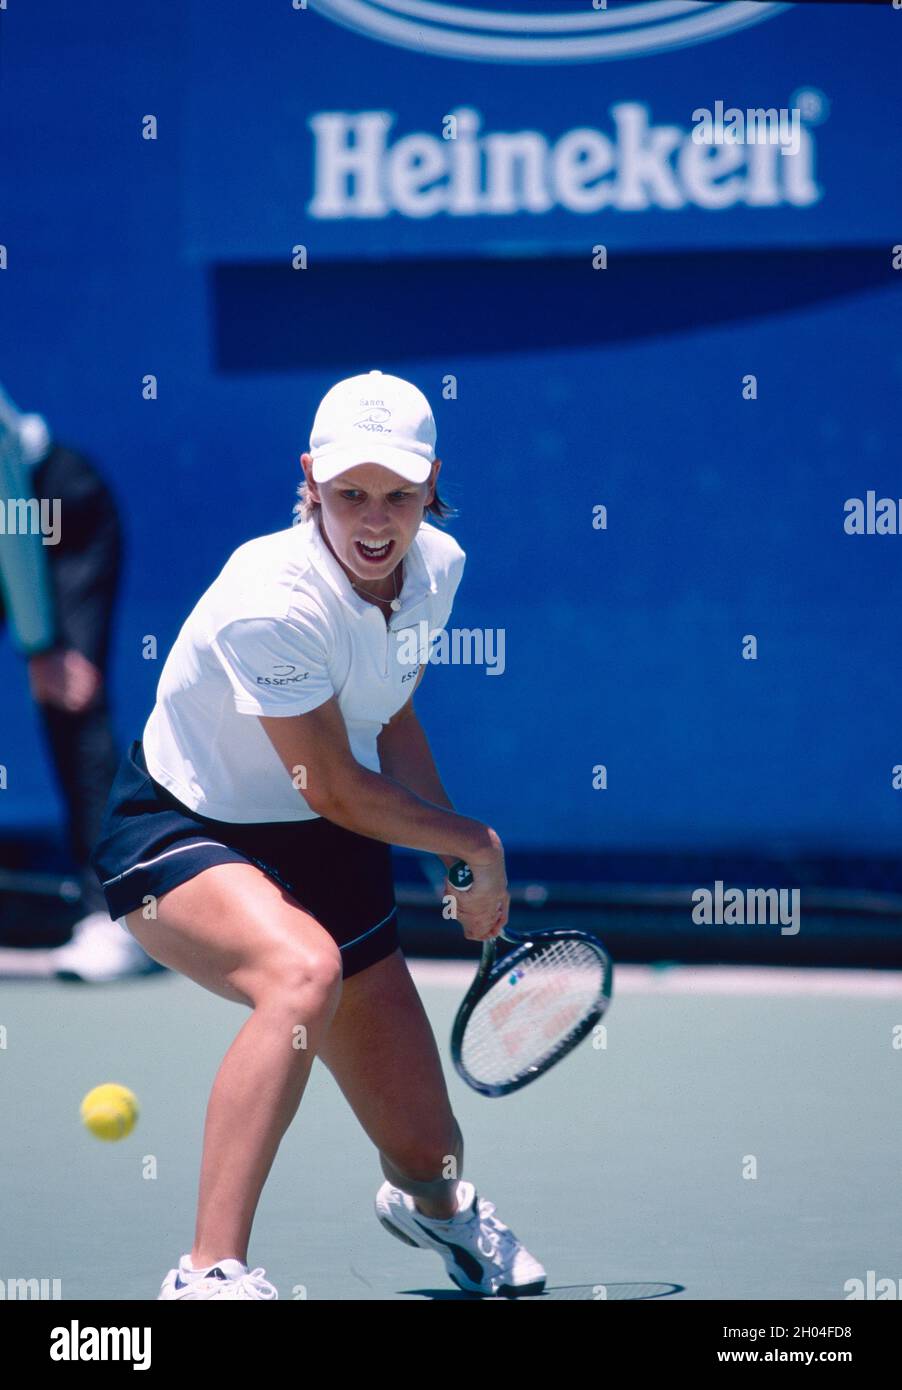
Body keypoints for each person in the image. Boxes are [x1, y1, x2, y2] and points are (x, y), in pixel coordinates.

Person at [89, 370, 546, 1300]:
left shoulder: (438, 570)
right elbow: (332, 782)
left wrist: (451, 847)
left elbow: (392, 713)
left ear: (431, 486)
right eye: (349, 495)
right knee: (301, 974)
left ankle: (436, 1214)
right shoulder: (273, 599)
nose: (374, 521)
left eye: (398, 496)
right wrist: (476, 844)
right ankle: (207, 1273)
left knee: (431, 1151)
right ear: (310, 481)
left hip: (324, 843)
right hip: (184, 829)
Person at [0, 385, 158, 981]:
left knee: (72, 701)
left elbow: (9, 510)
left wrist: (41, 641)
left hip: (52, 510)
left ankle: (118, 917)